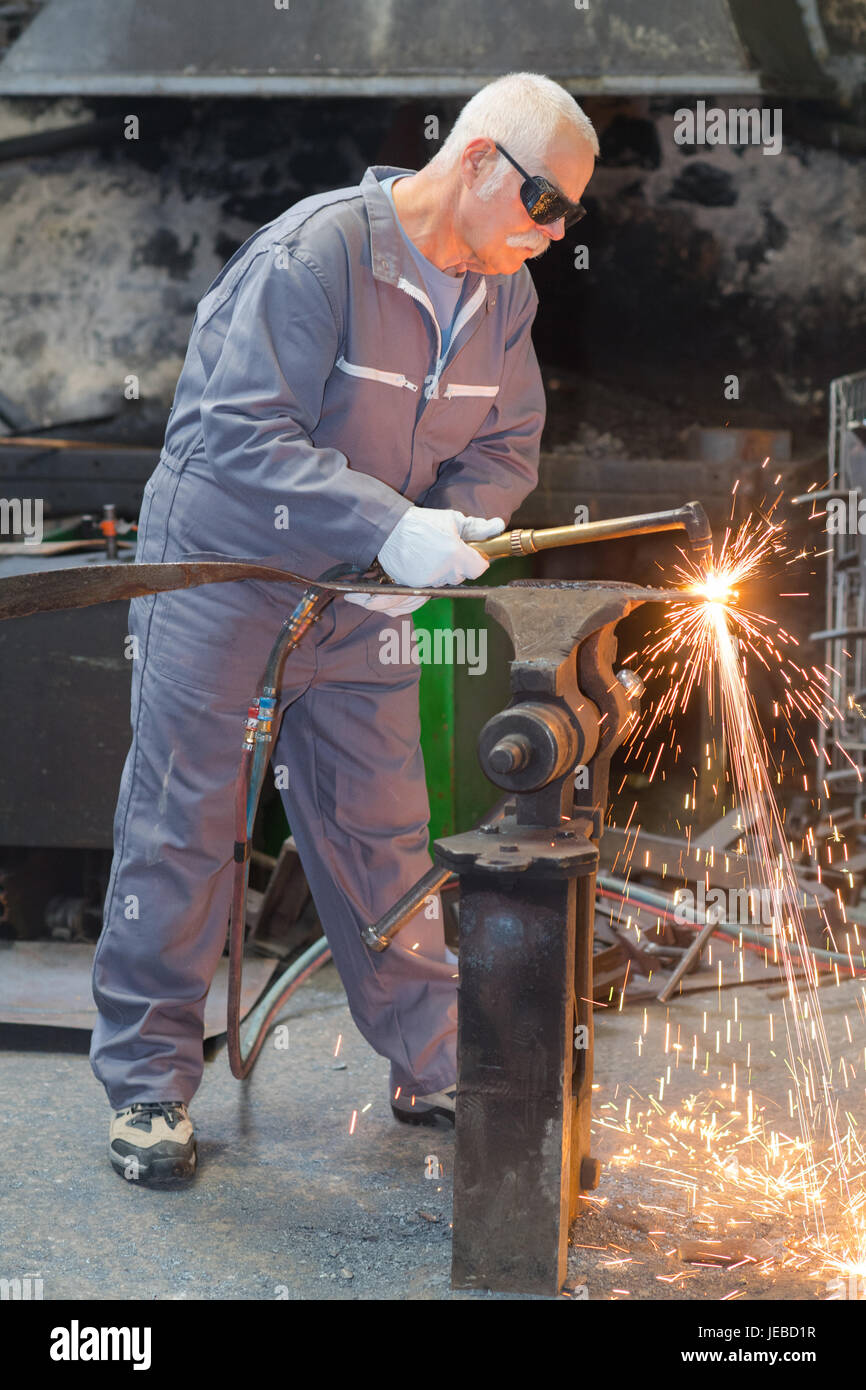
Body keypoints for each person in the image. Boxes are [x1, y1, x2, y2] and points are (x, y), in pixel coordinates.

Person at [91, 71, 599, 1183]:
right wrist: (386, 522)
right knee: (186, 820)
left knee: (383, 825)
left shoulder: (501, 295)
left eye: (569, 217)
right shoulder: (316, 255)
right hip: (228, 570)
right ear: (474, 159)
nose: (551, 236)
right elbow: (236, 434)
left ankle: (433, 1061)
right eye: (542, 205)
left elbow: (503, 446)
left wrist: (442, 533)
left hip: (361, 590)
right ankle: (146, 1087)